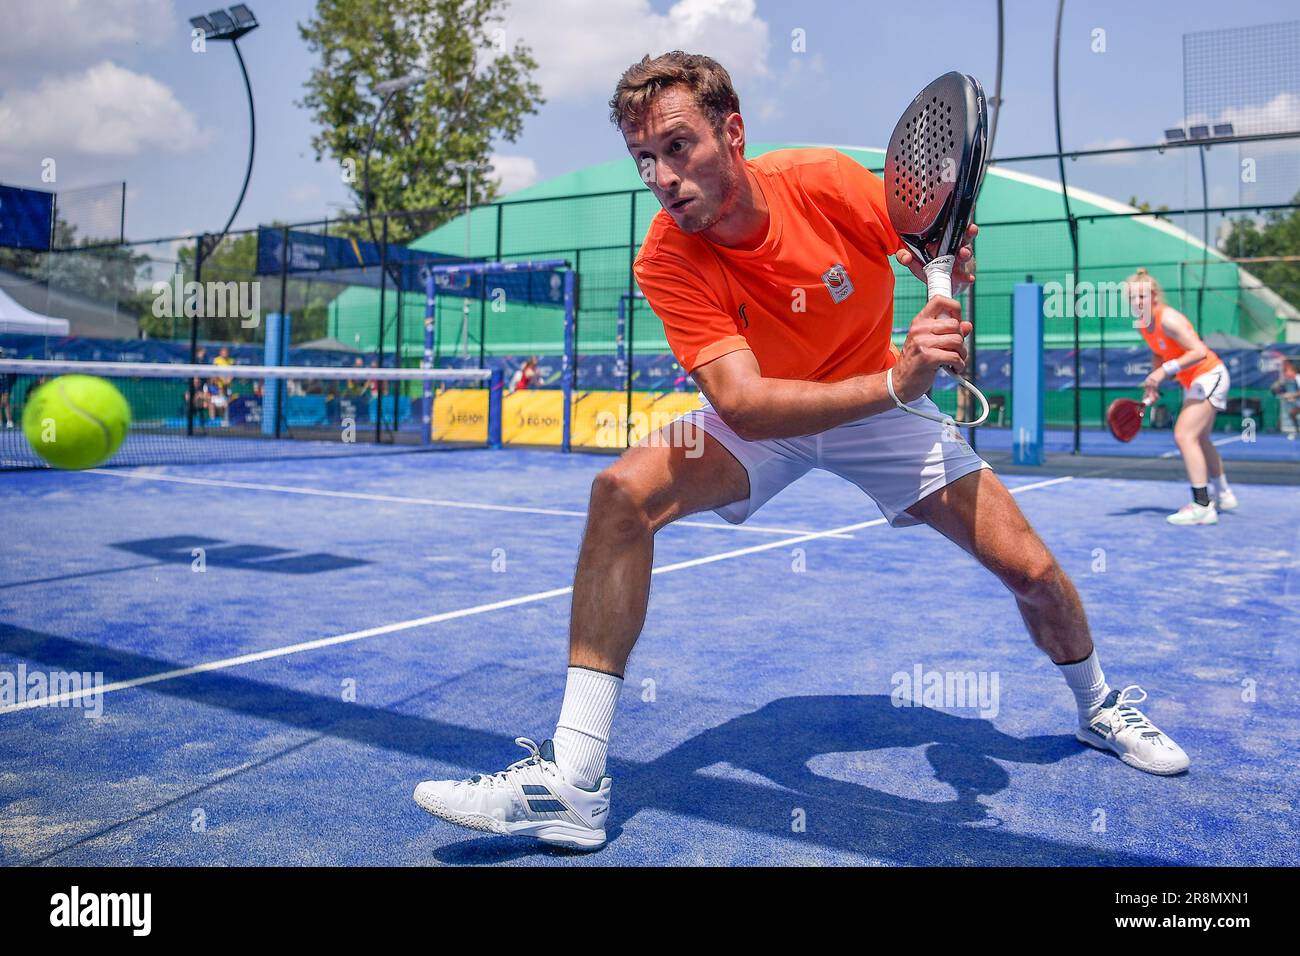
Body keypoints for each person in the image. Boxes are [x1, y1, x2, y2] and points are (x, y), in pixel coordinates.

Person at [413, 52, 1189, 850]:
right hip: (788, 410)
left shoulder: (822, 179)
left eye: (677, 147)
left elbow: (936, 244)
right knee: (621, 494)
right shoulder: (666, 255)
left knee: (1032, 573)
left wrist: (949, 271)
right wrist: (899, 377)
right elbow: (744, 405)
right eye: (644, 159)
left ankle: (1098, 705)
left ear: (733, 132)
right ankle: (573, 780)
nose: (661, 176)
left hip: (884, 406)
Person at [1128, 268, 1236, 524]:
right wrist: (1153, 383)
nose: (1137, 302)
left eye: (1142, 297)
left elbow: (1199, 351)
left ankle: (1202, 506)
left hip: (1210, 375)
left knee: (1184, 435)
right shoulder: (1143, 324)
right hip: (1195, 380)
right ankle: (1224, 493)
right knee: (1201, 438)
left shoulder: (1168, 320)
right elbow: (1158, 353)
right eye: (1132, 298)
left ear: (1154, 297)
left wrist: (1165, 371)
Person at [1271, 356, 1299, 439]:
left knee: (1292, 413)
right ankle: (1297, 431)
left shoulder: (1298, 378)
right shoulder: (1292, 380)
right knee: (1292, 413)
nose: (1286, 373)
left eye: (1288, 370)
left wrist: (1291, 395)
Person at [0, 347, 15, 429]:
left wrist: (10, 383)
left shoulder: (6, 362)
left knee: (6, 401)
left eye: (0, 353)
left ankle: (9, 421)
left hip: (6, 383)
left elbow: (12, 374)